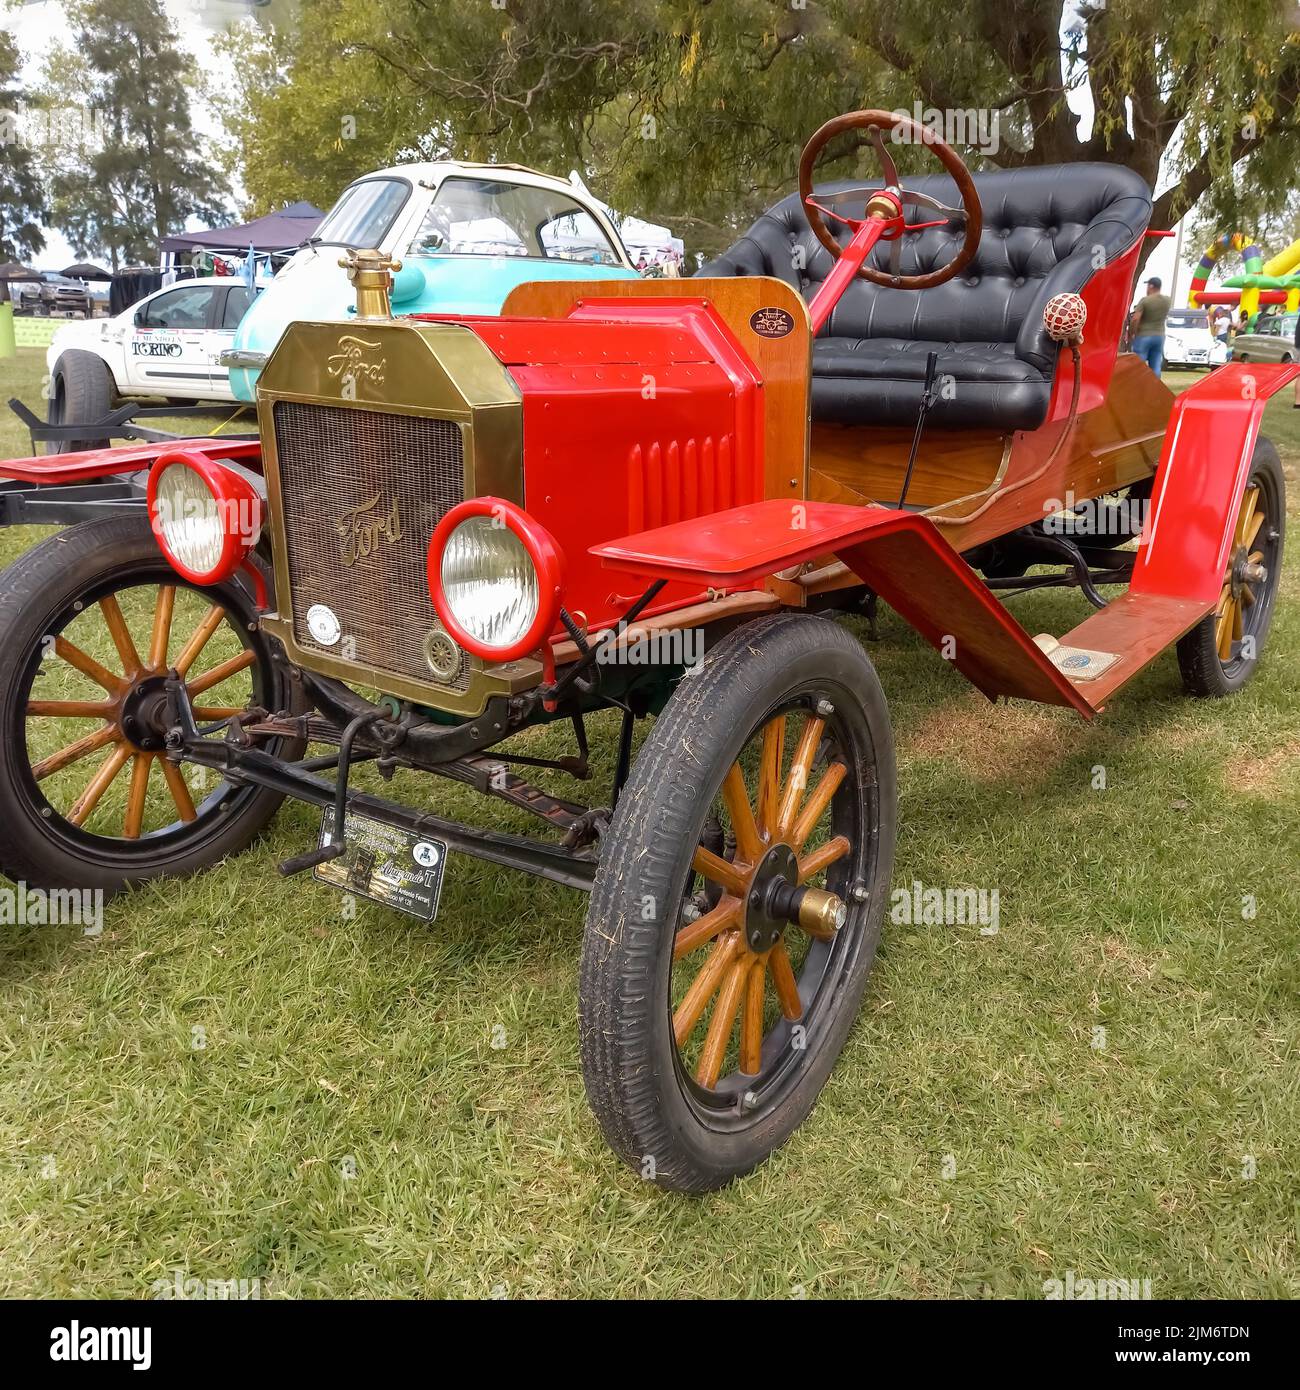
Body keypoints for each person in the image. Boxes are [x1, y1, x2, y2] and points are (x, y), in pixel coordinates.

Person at [1129, 276, 1172, 376]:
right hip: (1160, 335)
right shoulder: (1167, 301)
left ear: (1151, 286)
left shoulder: (1145, 301)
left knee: (1138, 364)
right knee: (1156, 365)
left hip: (1144, 335)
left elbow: (1135, 319)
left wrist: (1132, 332)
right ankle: (1155, 388)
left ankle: (1138, 386)